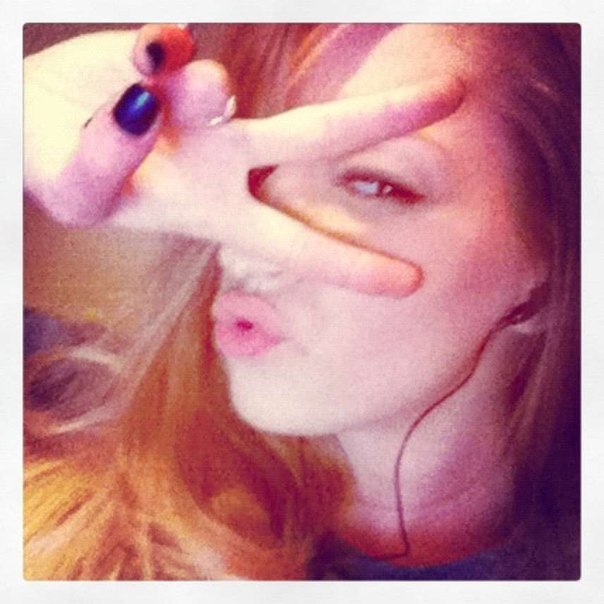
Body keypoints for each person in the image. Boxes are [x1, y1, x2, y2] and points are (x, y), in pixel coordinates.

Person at [23, 23, 580, 580]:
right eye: (257, 170)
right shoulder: (54, 413)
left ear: (548, 277)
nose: (243, 247)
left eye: (373, 184)